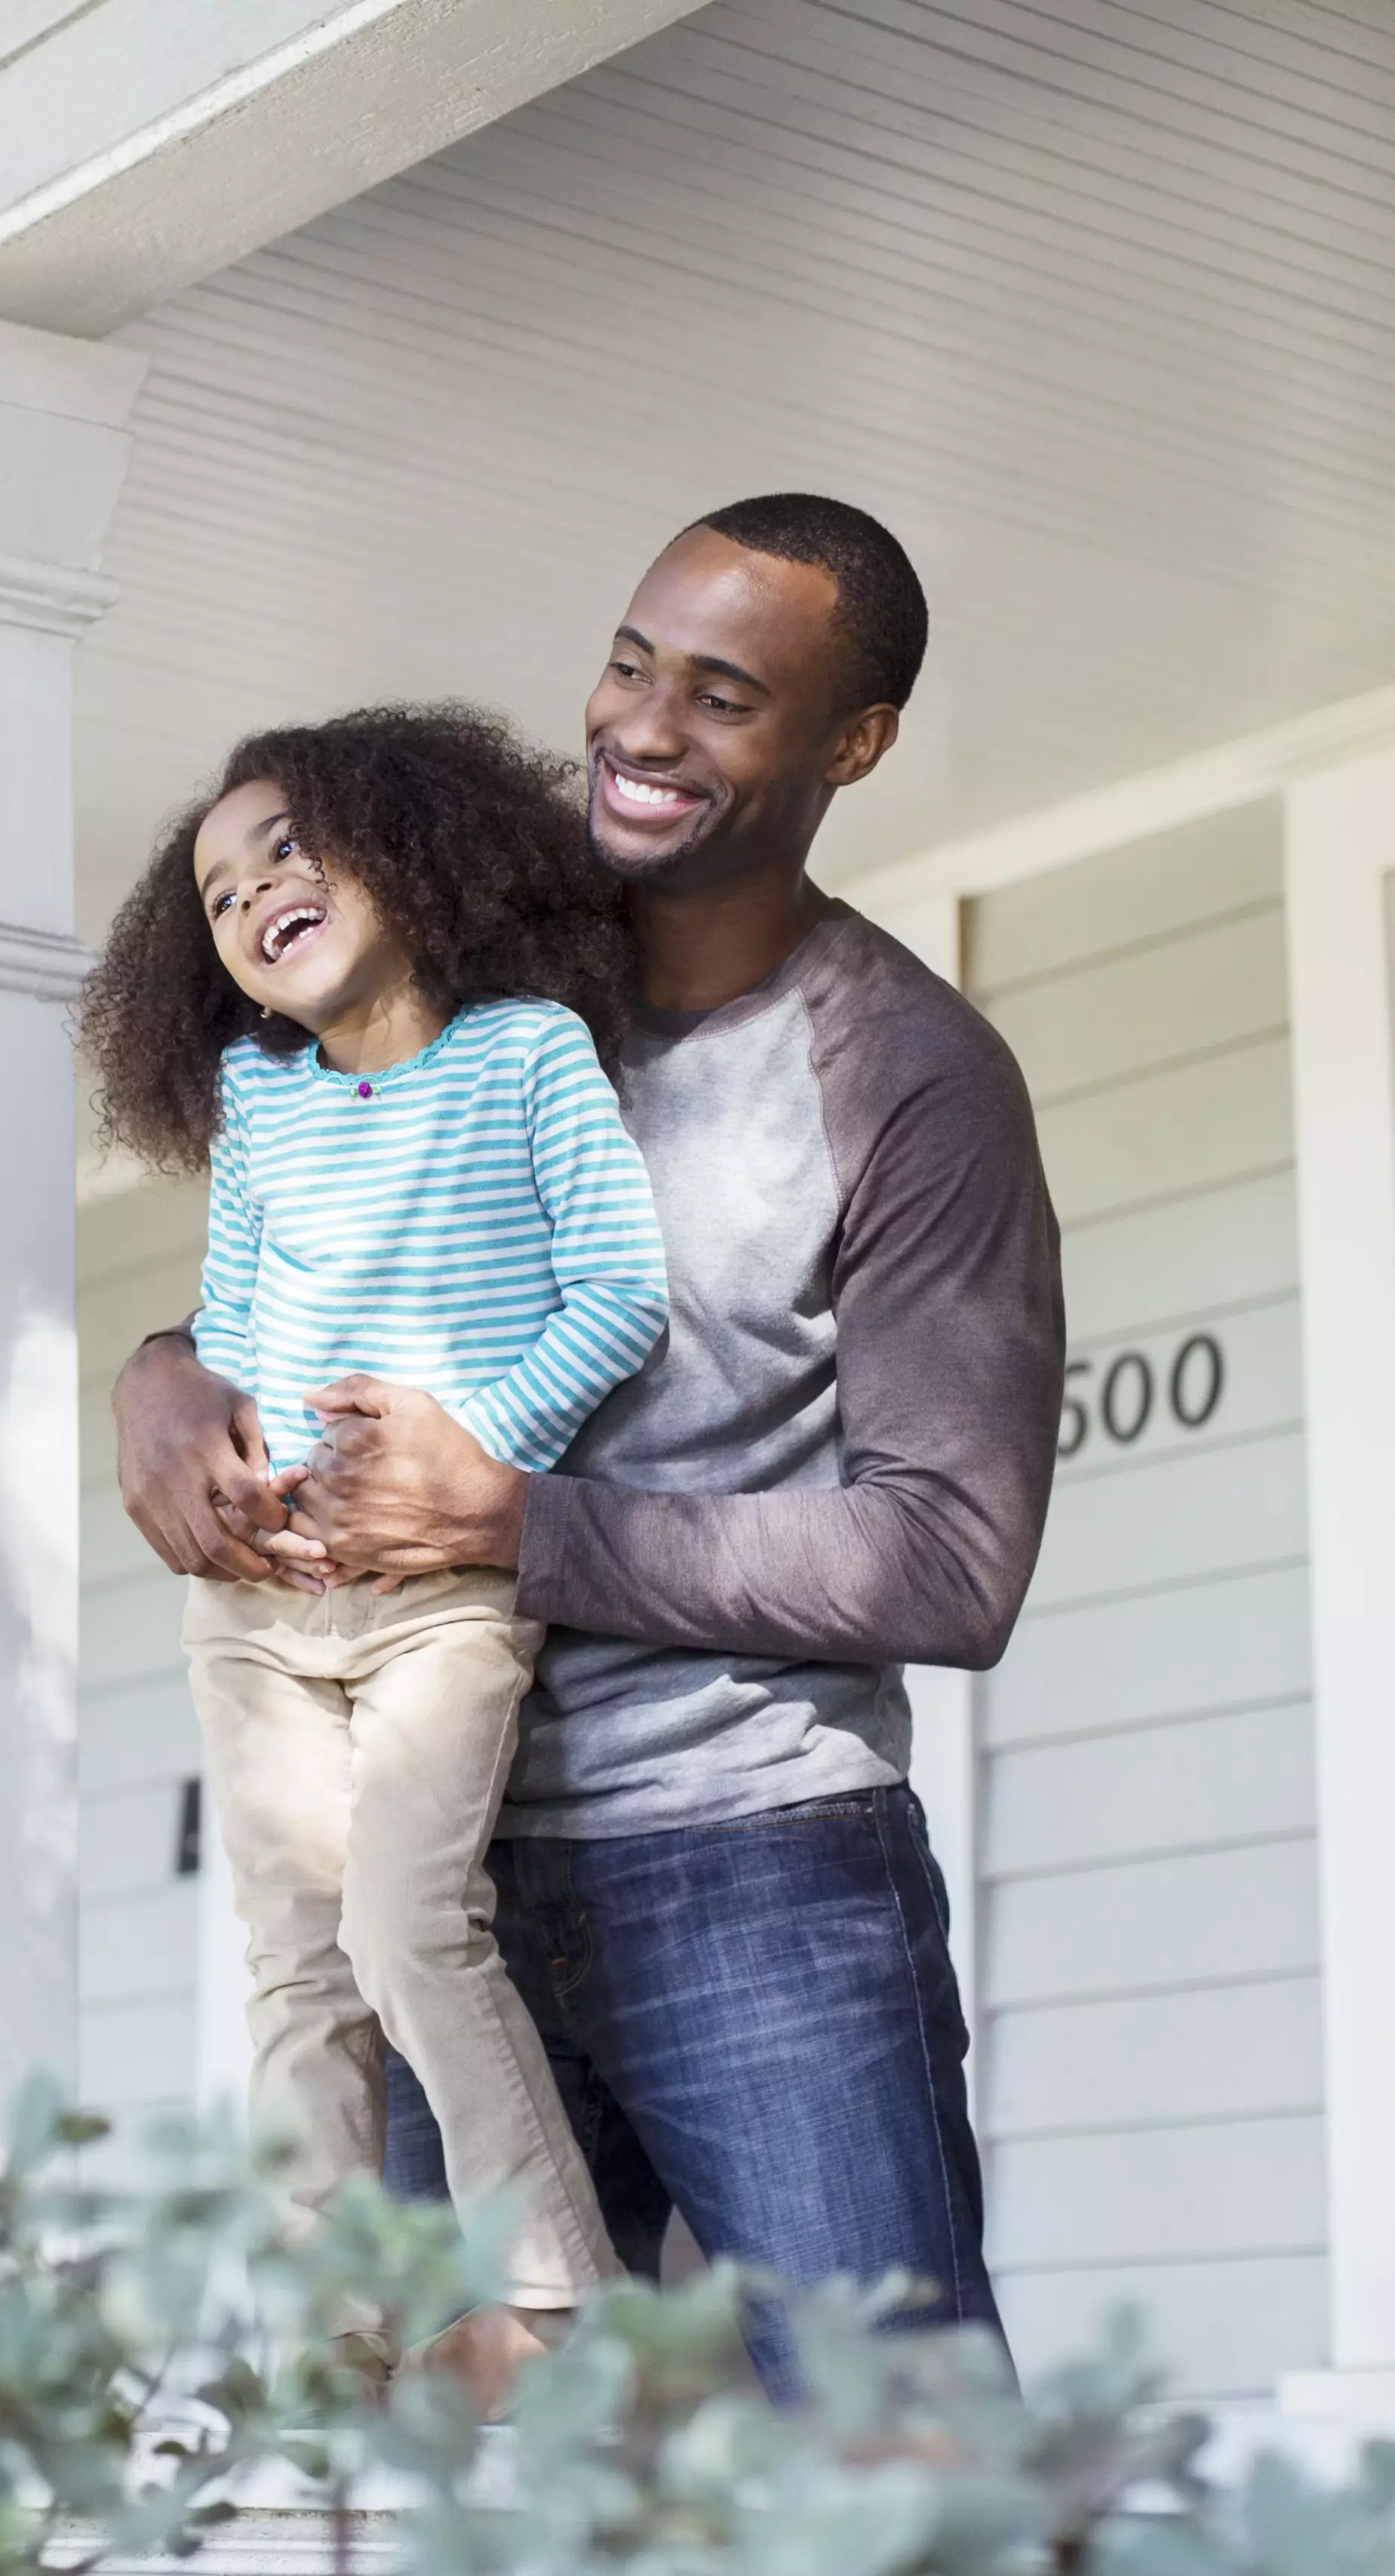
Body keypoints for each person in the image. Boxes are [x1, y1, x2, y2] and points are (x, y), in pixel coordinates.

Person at [110, 496, 1064, 2396]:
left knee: (893, 2472)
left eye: (723, 697)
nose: (639, 728)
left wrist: (521, 1523)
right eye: (633, 664)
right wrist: (157, 1377)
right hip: (423, 1860)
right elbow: (306, 1279)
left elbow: (950, 1560)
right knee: (465, 2475)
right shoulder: (459, 964)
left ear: (850, 742)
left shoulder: (907, 1071)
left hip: (749, 1872)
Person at [76, 705, 668, 2413]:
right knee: (294, 1968)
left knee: (412, 1927)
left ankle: (556, 2298)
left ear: (411, 858)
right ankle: (321, 2348)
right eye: (214, 892)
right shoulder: (264, 1104)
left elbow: (618, 1294)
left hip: (436, 1597)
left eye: (288, 848)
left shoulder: (529, 1057)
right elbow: (243, 1324)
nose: (254, 890)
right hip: (262, 1607)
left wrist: (473, 1453)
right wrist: (233, 1469)